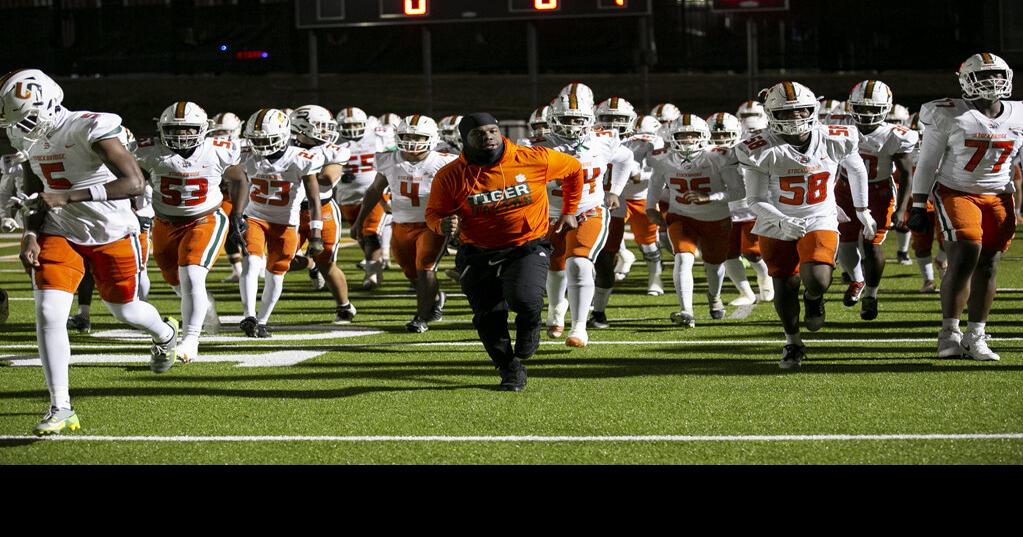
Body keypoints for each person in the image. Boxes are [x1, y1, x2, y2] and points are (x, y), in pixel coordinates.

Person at [2, 68, 180, 435]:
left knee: (125, 310)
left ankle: (164, 333)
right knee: (50, 312)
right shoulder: (22, 134)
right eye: (21, 120)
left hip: (111, 230)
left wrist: (69, 196)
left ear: (50, 101)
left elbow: (134, 182)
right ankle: (60, 405)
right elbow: (37, 183)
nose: (27, 126)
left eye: (31, 116)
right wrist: (31, 232)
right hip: (60, 228)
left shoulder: (89, 126)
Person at [425, 113, 583, 392]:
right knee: (488, 317)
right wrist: (441, 224)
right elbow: (433, 213)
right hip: (477, 250)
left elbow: (573, 169)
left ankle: (530, 322)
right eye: (479, 133)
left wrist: (570, 210)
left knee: (524, 298)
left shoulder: (533, 158)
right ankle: (509, 368)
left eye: (492, 131)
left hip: (526, 244)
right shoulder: (449, 175)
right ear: (465, 139)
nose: (487, 136)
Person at [736, 81, 876, 370]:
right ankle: (793, 342)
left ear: (813, 110)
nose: (796, 119)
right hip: (775, 217)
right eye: (787, 113)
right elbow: (755, 198)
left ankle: (814, 298)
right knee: (785, 284)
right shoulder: (758, 148)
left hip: (819, 215)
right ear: (771, 115)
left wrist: (862, 210)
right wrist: (781, 220)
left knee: (818, 279)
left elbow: (857, 168)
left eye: (801, 112)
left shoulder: (836, 137)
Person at [908, 52, 1021, 362]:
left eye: (997, 75)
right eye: (983, 76)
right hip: (956, 190)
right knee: (966, 251)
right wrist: (919, 202)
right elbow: (928, 161)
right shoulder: (947, 112)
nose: (992, 82)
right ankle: (949, 332)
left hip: (998, 194)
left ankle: (976, 335)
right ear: (966, 81)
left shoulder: (1019, 113)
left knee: (990, 263)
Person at [524, 88, 636, 346]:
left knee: (579, 262)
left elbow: (625, 159)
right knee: (555, 266)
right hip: (550, 214)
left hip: (590, 209)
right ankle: (555, 308)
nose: (574, 125)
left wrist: (615, 191)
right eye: (567, 119)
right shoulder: (535, 146)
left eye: (579, 119)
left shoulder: (604, 139)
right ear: (553, 120)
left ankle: (579, 327)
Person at [135, 102, 243, 362]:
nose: (182, 136)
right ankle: (204, 306)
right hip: (164, 222)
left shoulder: (218, 150)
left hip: (205, 218)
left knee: (192, 275)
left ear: (203, 129)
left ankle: (190, 340)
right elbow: (133, 181)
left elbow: (240, 179)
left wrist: (237, 214)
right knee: (177, 283)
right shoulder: (147, 150)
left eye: (189, 130)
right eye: (174, 130)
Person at [357, 115, 457, 332]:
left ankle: (420, 318)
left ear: (431, 138)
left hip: (432, 224)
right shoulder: (388, 159)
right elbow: (375, 190)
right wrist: (360, 219)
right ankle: (435, 299)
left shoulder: (444, 161)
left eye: (418, 136)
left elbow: (459, 193)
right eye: (407, 135)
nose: (412, 141)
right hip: (400, 223)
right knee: (411, 272)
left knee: (425, 269)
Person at [646, 114, 746, 326]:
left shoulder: (719, 156)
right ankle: (686, 310)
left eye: (693, 135)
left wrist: (709, 197)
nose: (688, 139)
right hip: (681, 216)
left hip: (716, 217)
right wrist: (650, 208)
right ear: (672, 137)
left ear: (704, 136)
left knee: (714, 265)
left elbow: (739, 191)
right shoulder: (663, 159)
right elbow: (654, 185)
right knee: (683, 258)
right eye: (682, 135)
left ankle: (714, 296)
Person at [236, 108, 325, 337]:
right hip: (255, 217)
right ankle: (249, 315)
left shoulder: (302, 158)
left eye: (268, 140)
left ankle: (262, 320)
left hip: (286, 222)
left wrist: (316, 233)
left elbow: (314, 198)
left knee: (276, 274)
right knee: (251, 262)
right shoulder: (245, 153)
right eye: (257, 140)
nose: (262, 146)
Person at [834, 80, 918, 320]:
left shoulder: (895, 135)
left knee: (872, 245)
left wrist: (902, 208)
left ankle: (871, 294)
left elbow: (905, 173)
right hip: (844, 188)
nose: (867, 113)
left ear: (885, 108)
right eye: (862, 107)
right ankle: (858, 281)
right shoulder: (838, 126)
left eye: (873, 108)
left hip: (878, 192)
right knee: (846, 243)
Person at [288, 105, 357, 324]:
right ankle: (310, 265)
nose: (326, 132)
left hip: (324, 209)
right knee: (283, 260)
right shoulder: (285, 146)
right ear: (301, 126)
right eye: (320, 126)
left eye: (327, 127)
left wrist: (295, 171)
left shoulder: (333, 150)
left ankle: (344, 306)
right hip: (290, 210)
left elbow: (328, 178)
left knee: (327, 262)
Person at [708, 111, 773, 305]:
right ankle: (746, 292)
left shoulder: (747, 149)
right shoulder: (705, 155)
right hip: (723, 210)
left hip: (751, 209)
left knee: (752, 252)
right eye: (716, 135)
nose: (720, 139)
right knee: (728, 254)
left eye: (724, 134)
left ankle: (765, 279)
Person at [334, 107, 396, 289]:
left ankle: (372, 276)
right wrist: (338, 173)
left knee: (369, 233)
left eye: (356, 124)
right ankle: (375, 267)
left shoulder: (379, 136)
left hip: (375, 193)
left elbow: (396, 153)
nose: (352, 128)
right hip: (347, 195)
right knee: (359, 234)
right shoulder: (335, 140)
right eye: (348, 125)